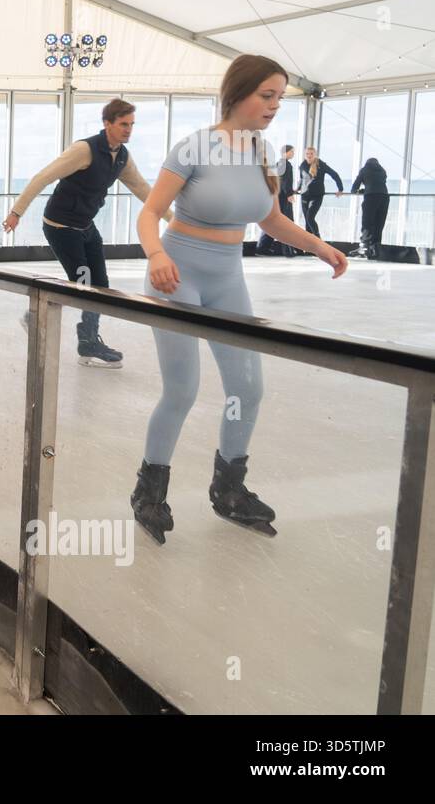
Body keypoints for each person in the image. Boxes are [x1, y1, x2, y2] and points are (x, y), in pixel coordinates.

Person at [131, 54, 348, 545]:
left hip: (228, 278)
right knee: (182, 390)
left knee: (247, 388)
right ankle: (150, 491)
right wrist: (156, 254)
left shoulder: (264, 153)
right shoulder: (195, 148)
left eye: (280, 98)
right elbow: (149, 214)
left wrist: (319, 245)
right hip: (176, 276)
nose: (273, 106)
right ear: (237, 94)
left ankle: (229, 488)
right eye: (265, 95)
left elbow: (269, 220)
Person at [3, 99, 169, 368]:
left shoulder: (122, 157)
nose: (129, 130)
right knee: (82, 284)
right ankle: (38, 316)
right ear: (107, 124)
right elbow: (42, 177)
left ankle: (88, 341)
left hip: (85, 226)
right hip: (60, 227)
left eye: (132, 125)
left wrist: (173, 219)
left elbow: (142, 189)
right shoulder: (85, 150)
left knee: (100, 286)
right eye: (123, 124)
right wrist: (16, 212)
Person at [255, 144, 297, 256]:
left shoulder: (280, 163)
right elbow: (284, 180)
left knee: (275, 222)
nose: (293, 154)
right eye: (292, 152)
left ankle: (263, 247)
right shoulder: (285, 164)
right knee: (283, 222)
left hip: (278, 195)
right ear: (285, 152)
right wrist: (289, 194)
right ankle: (287, 250)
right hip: (283, 197)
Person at [295, 146, 343, 238]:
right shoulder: (303, 165)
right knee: (307, 221)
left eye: (311, 154)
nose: (309, 156)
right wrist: (297, 189)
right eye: (307, 154)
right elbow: (302, 179)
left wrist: (340, 189)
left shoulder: (321, 164)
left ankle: (318, 240)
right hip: (304, 195)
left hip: (317, 196)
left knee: (310, 217)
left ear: (315, 155)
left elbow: (334, 175)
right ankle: (309, 247)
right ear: (305, 155)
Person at [351, 157, 390, 260]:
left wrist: (363, 190)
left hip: (371, 197)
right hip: (384, 197)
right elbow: (379, 184)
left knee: (367, 223)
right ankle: (375, 249)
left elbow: (354, 188)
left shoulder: (364, 170)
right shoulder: (382, 171)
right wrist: (368, 188)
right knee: (379, 223)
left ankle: (364, 248)